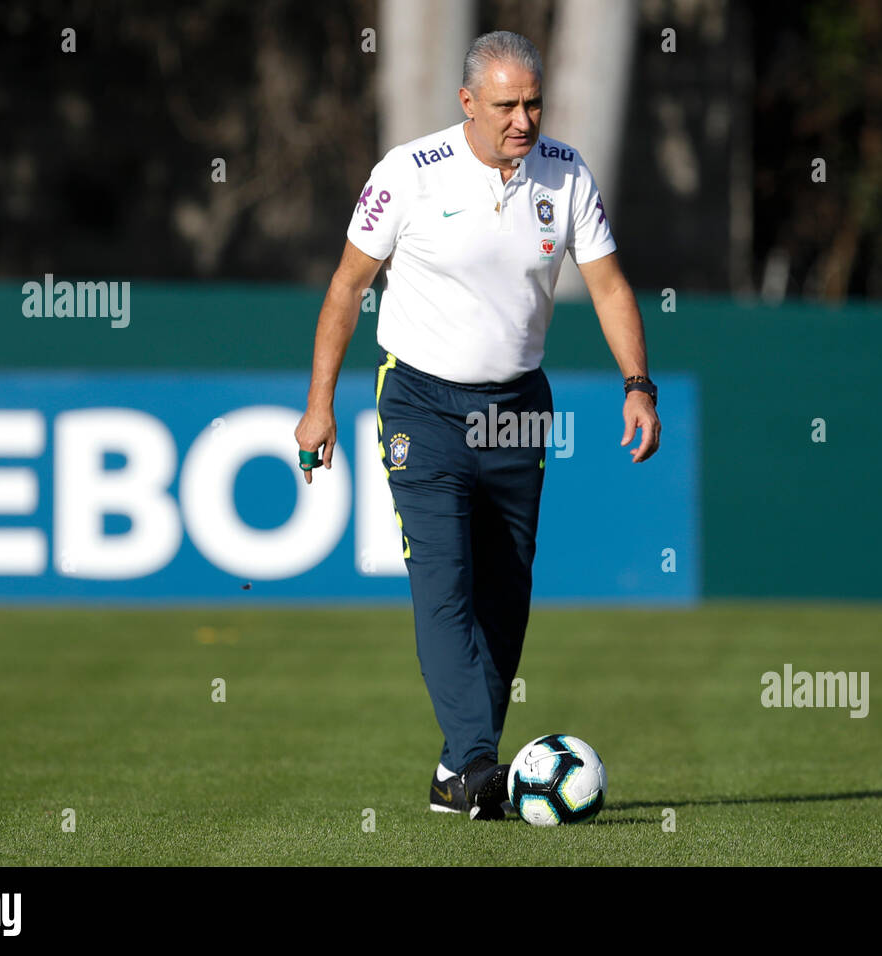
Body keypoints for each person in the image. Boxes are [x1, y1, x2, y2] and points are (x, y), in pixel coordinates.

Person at [293, 30, 660, 820]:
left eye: (533, 103)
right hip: (421, 406)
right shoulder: (407, 174)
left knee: (506, 594)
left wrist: (638, 384)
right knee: (444, 584)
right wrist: (319, 404)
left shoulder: (565, 174)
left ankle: (459, 776)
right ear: (467, 103)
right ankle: (476, 764)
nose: (523, 119)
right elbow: (345, 289)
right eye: (505, 106)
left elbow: (609, 287)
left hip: (521, 409)